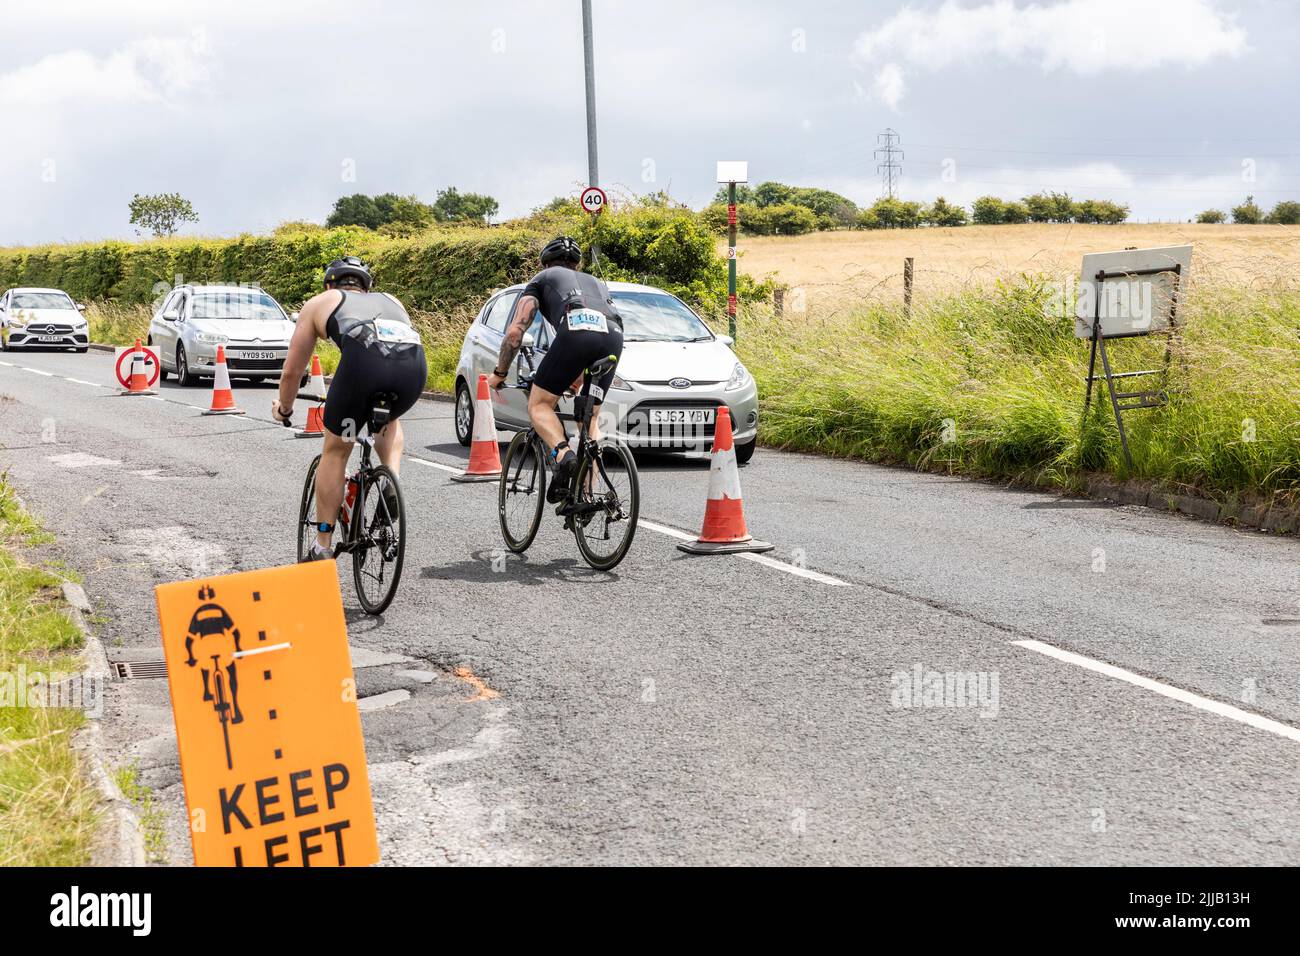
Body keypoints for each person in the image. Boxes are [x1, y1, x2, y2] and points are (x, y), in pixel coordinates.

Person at [272, 256, 427, 561]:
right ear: (366, 287)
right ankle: (389, 478)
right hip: (413, 366)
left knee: (336, 449)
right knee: (389, 418)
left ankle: (323, 544)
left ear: (330, 284)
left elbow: (292, 371)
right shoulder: (392, 300)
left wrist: (285, 408)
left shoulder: (320, 301)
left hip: (363, 363)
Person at [487, 237, 623, 503]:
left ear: (546, 263)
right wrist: (573, 378)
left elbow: (515, 333)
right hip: (614, 336)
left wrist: (500, 373)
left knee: (539, 405)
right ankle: (586, 496)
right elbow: (595, 333)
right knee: (590, 417)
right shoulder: (595, 282)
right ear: (577, 264)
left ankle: (564, 455)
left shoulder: (541, 279)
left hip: (576, 333)